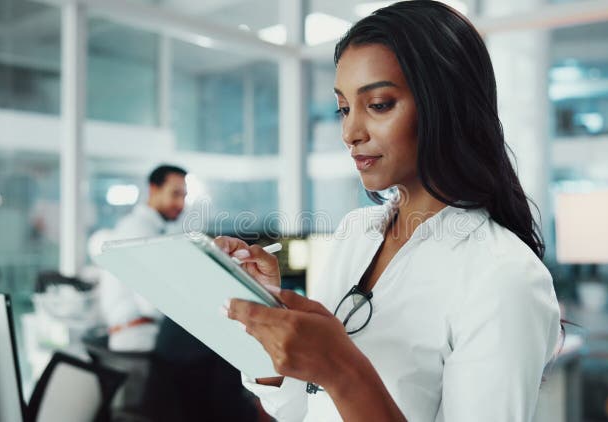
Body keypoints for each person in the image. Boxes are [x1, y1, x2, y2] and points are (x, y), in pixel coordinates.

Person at [213, 2, 562, 421]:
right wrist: (268, 311)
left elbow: (337, 380)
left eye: (378, 104)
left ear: (446, 104)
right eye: (344, 108)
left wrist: (344, 371)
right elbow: (297, 411)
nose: (349, 132)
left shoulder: (504, 275)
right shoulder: (354, 233)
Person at [99, 164, 187, 351]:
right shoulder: (141, 231)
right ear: (153, 190)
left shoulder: (143, 227)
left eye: (184, 196)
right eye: (175, 194)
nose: (181, 204)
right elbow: (152, 305)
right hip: (138, 337)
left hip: (137, 333)